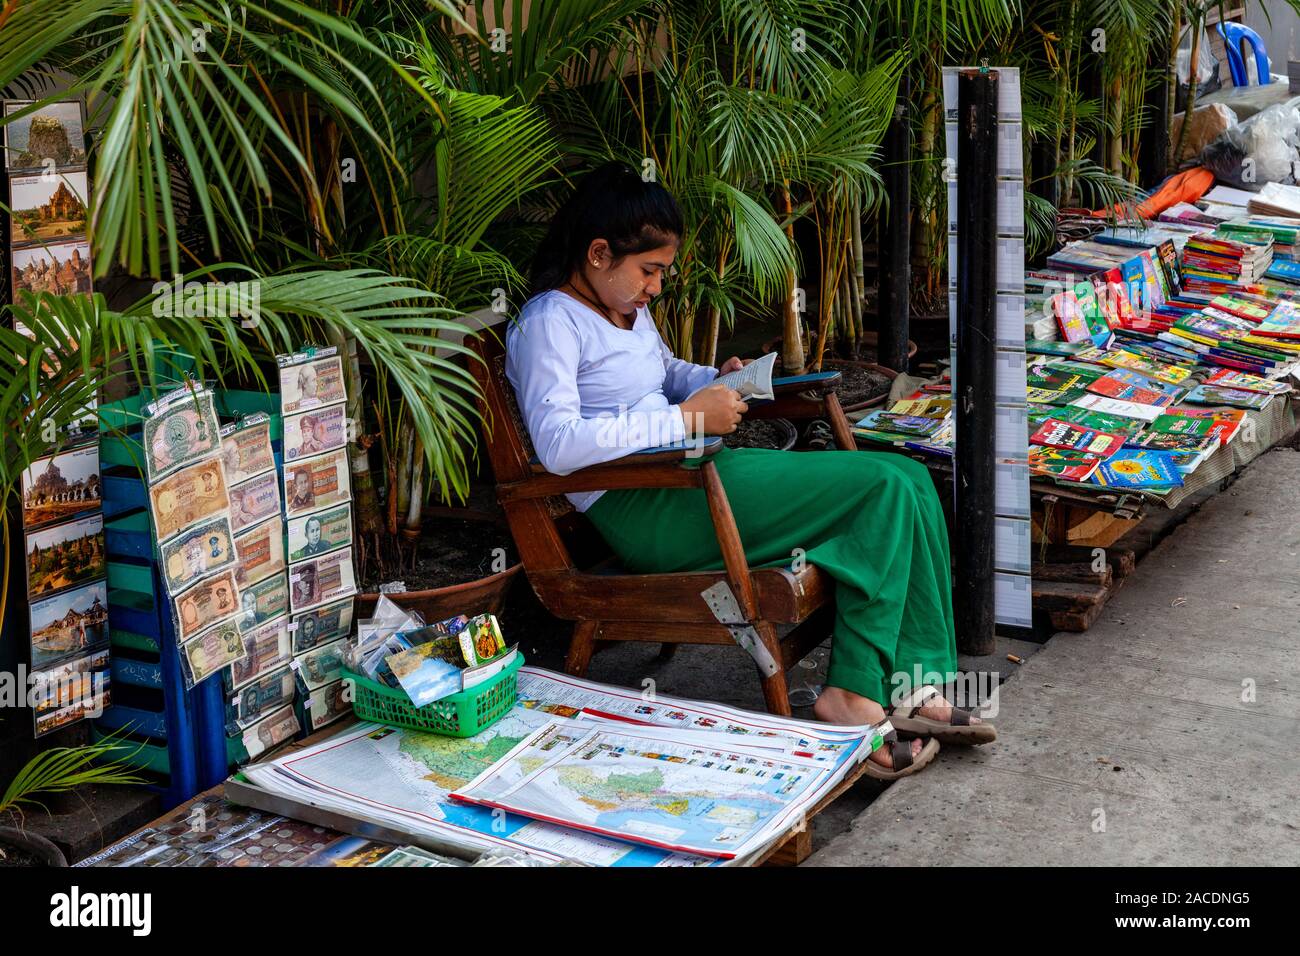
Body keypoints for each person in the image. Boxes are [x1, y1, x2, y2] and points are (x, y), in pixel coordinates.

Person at [506, 162, 996, 778]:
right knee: (881, 489)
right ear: (598, 253)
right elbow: (557, 444)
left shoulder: (623, 309)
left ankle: (913, 685)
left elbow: (662, 374)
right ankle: (851, 695)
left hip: (695, 473)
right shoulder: (550, 322)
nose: (656, 286)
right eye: (649, 270)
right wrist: (685, 419)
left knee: (911, 480)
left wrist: (714, 380)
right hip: (647, 504)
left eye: (661, 272)